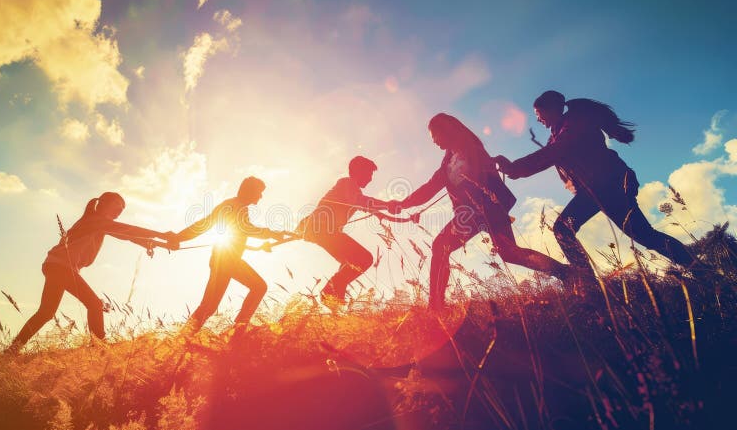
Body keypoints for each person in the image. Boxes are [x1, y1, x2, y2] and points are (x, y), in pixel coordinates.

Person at [494, 90, 697, 281]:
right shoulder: (559, 132)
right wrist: (512, 169)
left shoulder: (574, 124)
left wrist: (514, 168)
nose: (538, 119)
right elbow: (547, 155)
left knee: (565, 229)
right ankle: (700, 269)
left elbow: (552, 154)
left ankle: (587, 283)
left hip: (605, 186)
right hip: (598, 189)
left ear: (552, 110)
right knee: (644, 235)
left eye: (539, 113)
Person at [391, 113, 570, 309]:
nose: (433, 140)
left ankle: (566, 273)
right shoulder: (448, 161)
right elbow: (430, 187)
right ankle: (436, 307)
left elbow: (484, 178)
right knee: (449, 247)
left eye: (434, 134)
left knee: (506, 253)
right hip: (469, 214)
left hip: (488, 210)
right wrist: (403, 203)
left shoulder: (473, 149)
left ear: (446, 130)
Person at [8, 192, 175, 352]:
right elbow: (127, 230)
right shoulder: (95, 220)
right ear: (103, 204)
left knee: (45, 312)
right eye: (117, 206)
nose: (119, 211)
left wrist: (156, 243)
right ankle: (100, 347)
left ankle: (12, 350)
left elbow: (127, 235)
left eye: (122, 209)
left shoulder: (100, 223)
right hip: (61, 267)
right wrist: (162, 235)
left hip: (56, 265)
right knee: (94, 305)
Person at [174, 176, 294, 333]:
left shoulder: (235, 205)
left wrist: (259, 247)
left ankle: (184, 338)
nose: (261, 196)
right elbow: (245, 228)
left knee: (209, 306)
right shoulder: (235, 206)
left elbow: (235, 235)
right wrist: (271, 233)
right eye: (259, 192)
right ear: (250, 191)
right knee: (258, 287)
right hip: (226, 262)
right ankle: (238, 330)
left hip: (226, 260)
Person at [296, 156, 397, 304]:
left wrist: (382, 213)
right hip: (324, 231)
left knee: (350, 263)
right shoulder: (347, 183)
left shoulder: (349, 189)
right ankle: (329, 292)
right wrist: (387, 205)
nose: (370, 179)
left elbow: (362, 204)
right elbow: (359, 201)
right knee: (364, 259)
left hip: (323, 231)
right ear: (358, 172)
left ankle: (335, 301)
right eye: (369, 174)